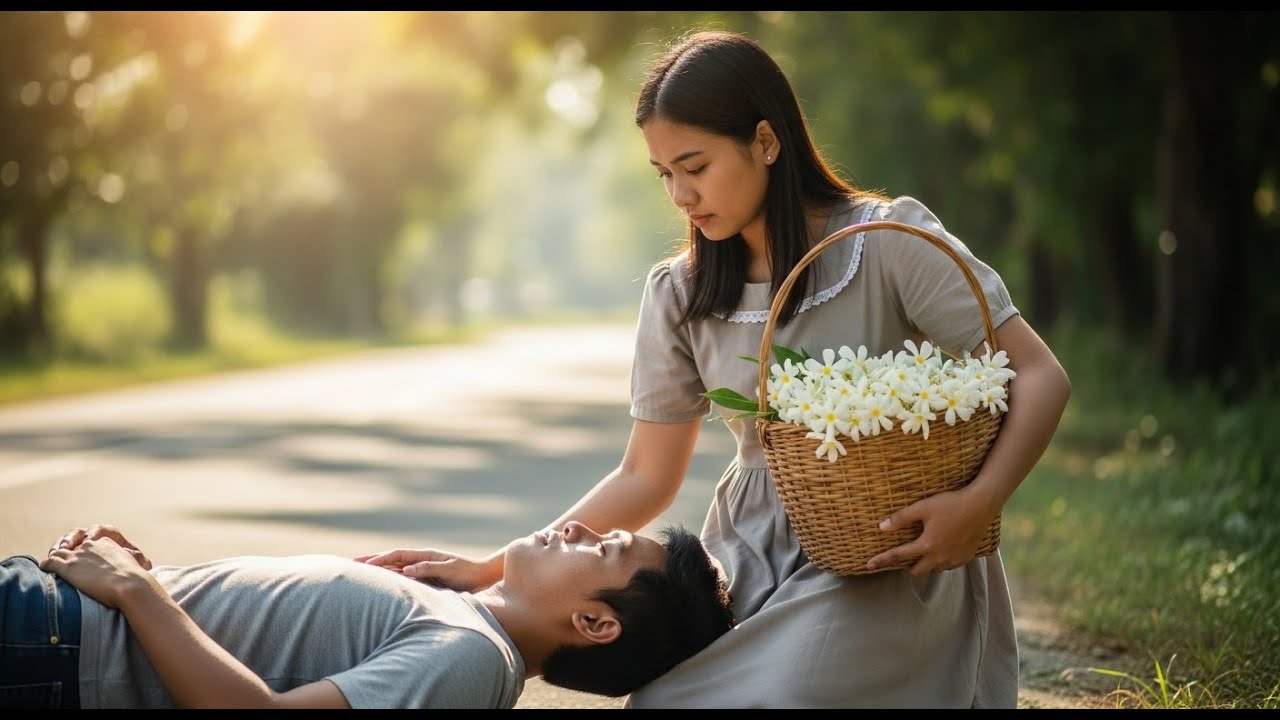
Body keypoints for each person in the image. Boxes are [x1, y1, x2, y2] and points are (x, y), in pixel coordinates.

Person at [356, 28, 1071, 708]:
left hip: (884, 548)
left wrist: (978, 505)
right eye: (665, 174)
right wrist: (489, 568)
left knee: (792, 693)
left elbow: (1039, 376)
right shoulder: (680, 291)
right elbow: (646, 474)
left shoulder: (887, 243)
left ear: (766, 141)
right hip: (746, 558)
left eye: (695, 168)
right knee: (667, 699)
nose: (680, 196)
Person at [0, 520, 734, 709]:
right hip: (57, 617)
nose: (577, 526)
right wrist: (153, 580)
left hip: (51, 645)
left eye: (604, 549)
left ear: (596, 624)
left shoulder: (471, 658)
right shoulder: (462, 615)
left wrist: (139, 594)